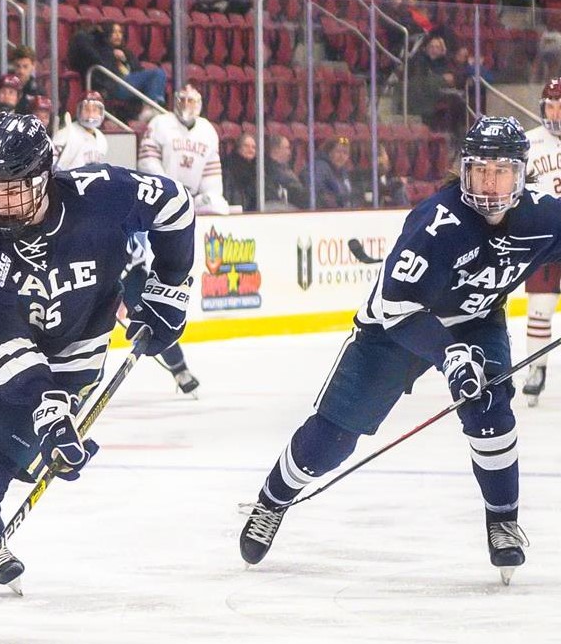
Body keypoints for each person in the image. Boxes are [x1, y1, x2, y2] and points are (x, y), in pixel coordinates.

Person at [0, 113, 195, 644]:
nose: (0, 201)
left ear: (45, 177)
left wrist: (170, 286)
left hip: (73, 353)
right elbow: (4, 346)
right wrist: (49, 412)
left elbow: (175, 205)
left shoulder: (101, 191)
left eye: (15, 188)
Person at [238, 117, 561, 584]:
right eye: (480, 171)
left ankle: (503, 522)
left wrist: (463, 354)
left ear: (521, 173)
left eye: (501, 172)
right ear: (465, 171)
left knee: (490, 412)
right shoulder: (436, 223)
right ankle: (273, 500)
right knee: (333, 438)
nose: (489, 184)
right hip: (397, 328)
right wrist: (450, 358)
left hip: (475, 320)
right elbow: (397, 306)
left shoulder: (542, 215)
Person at [520, 80, 561, 401]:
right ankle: (537, 367)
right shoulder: (529, 143)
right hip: (545, 236)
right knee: (540, 307)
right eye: (550, 105)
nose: (555, 112)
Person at [138, 86, 230, 215]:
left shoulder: (208, 130)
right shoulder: (159, 123)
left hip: (192, 198)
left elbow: (211, 175)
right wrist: (168, 189)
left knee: (217, 204)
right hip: (162, 195)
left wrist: (208, 196)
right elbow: (147, 163)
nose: (186, 104)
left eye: (190, 101)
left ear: (198, 104)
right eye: (182, 100)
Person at [71, 21, 167, 113]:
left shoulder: (127, 53)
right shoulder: (102, 51)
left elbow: (138, 70)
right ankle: (151, 109)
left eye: (120, 32)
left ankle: (153, 107)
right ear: (107, 34)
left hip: (129, 84)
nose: (118, 35)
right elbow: (103, 69)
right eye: (114, 32)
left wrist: (124, 60)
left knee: (157, 77)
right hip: (114, 85)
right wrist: (112, 56)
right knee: (158, 73)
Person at [52, 90, 109, 170]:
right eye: (86, 110)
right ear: (79, 111)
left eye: (94, 110)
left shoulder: (102, 139)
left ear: (101, 113)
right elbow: (52, 162)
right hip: (67, 180)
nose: (90, 114)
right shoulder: (66, 133)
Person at [310, 136, 358, 210]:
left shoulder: (343, 172)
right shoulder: (320, 168)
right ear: (329, 152)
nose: (341, 156)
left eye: (345, 153)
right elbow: (319, 194)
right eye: (338, 151)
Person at [221, 130, 260, 213]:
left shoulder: (258, 168)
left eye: (253, 147)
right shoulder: (229, 166)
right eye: (246, 146)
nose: (251, 150)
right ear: (239, 148)